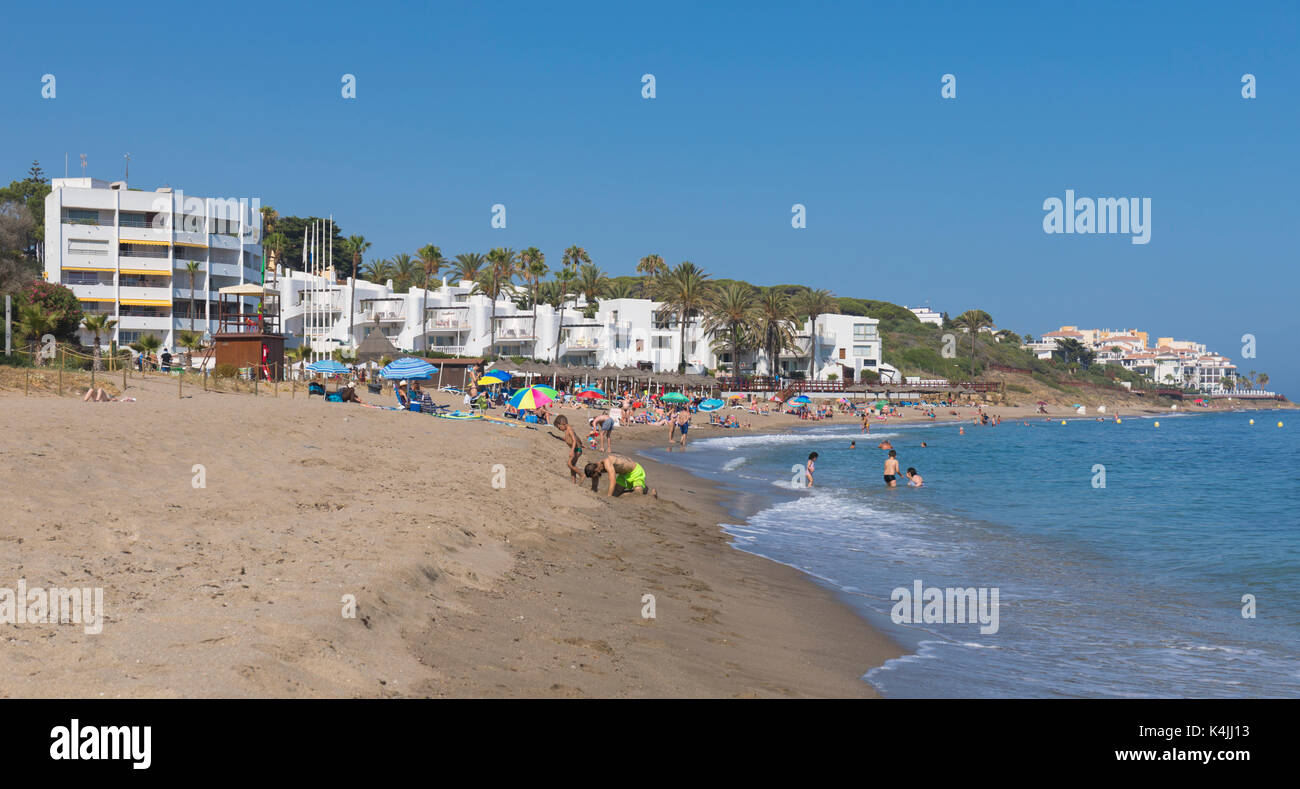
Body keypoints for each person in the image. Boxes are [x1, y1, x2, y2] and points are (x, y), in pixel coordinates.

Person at [584, 454, 656, 497]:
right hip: (623, 475)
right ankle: (637, 489)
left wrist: (609, 497)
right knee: (615, 495)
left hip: (635, 471)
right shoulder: (596, 468)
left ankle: (648, 493)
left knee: (638, 494)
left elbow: (613, 481)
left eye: (595, 475)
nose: (595, 477)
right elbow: (594, 485)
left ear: (596, 470)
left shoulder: (607, 463)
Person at [552, 415, 583, 484]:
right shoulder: (567, 430)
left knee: (569, 464)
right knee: (572, 466)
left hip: (577, 450)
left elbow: (574, 440)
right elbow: (572, 438)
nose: (559, 429)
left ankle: (582, 475)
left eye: (559, 427)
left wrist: (572, 451)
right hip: (575, 449)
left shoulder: (570, 429)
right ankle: (573, 481)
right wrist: (557, 437)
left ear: (563, 423)